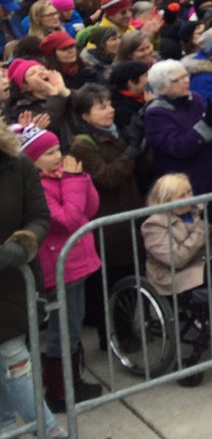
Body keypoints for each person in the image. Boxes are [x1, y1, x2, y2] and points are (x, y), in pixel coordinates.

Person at [19, 125, 103, 411]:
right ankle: (60, 390)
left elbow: (90, 208)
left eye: (58, 150)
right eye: (49, 153)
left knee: (74, 324)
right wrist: (73, 180)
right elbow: (67, 219)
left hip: (76, 262)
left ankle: (71, 380)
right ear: (32, 160)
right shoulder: (37, 187)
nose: (58, 156)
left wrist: (81, 179)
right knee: (63, 329)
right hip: (59, 268)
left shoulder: (63, 178)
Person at [0, 120, 66, 437]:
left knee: (13, 358)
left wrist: (19, 247)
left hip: (12, 281)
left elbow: (39, 216)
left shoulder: (17, 164)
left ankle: (48, 431)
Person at [140, 173, 212, 388]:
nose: (189, 198)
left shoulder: (195, 212)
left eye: (189, 192)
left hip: (203, 264)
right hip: (174, 274)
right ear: (166, 200)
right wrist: (203, 227)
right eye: (181, 195)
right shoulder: (153, 225)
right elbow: (177, 259)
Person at [68, 84, 145, 347]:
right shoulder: (82, 145)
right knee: (108, 284)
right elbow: (107, 177)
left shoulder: (115, 133)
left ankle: (126, 329)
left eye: (110, 104)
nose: (110, 110)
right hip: (108, 224)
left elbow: (134, 170)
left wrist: (141, 146)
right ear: (85, 115)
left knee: (129, 277)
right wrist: (130, 153)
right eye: (102, 107)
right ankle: (112, 335)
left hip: (128, 217)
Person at [142, 60, 212, 225]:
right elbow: (179, 147)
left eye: (186, 76)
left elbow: (210, 136)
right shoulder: (156, 114)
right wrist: (206, 124)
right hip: (190, 186)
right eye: (177, 80)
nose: (185, 81)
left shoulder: (196, 99)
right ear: (162, 87)